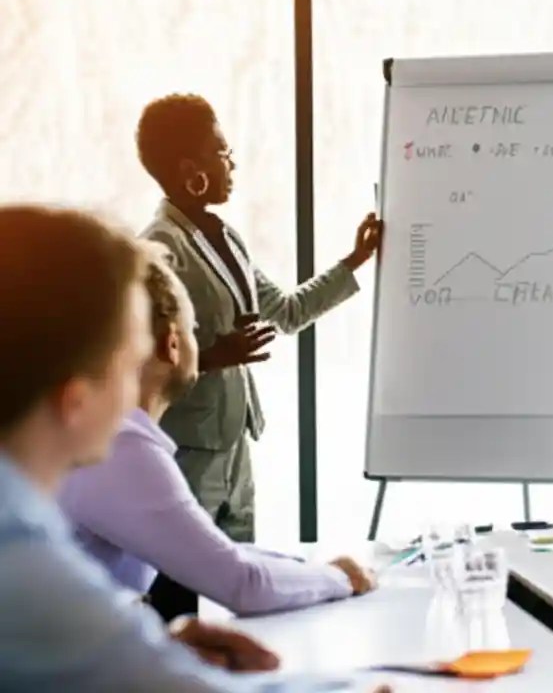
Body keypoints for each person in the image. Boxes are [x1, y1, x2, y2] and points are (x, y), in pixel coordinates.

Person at [0, 205, 379, 691]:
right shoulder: (22, 552)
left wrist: (148, 644)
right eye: (127, 361)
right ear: (74, 400)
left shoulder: (24, 526)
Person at [58, 245, 377, 616]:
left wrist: (313, 570)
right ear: (172, 345)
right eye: (193, 331)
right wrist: (340, 578)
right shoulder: (120, 445)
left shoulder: (98, 431)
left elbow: (211, 551)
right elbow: (243, 584)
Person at [136, 93, 381, 543]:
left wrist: (357, 259)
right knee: (188, 568)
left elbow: (287, 312)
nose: (232, 164)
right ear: (191, 169)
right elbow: (143, 361)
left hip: (235, 442)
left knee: (240, 565)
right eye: (222, 152)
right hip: (189, 448)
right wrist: (214, 356)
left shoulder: (225, 238)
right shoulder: (159, 247)